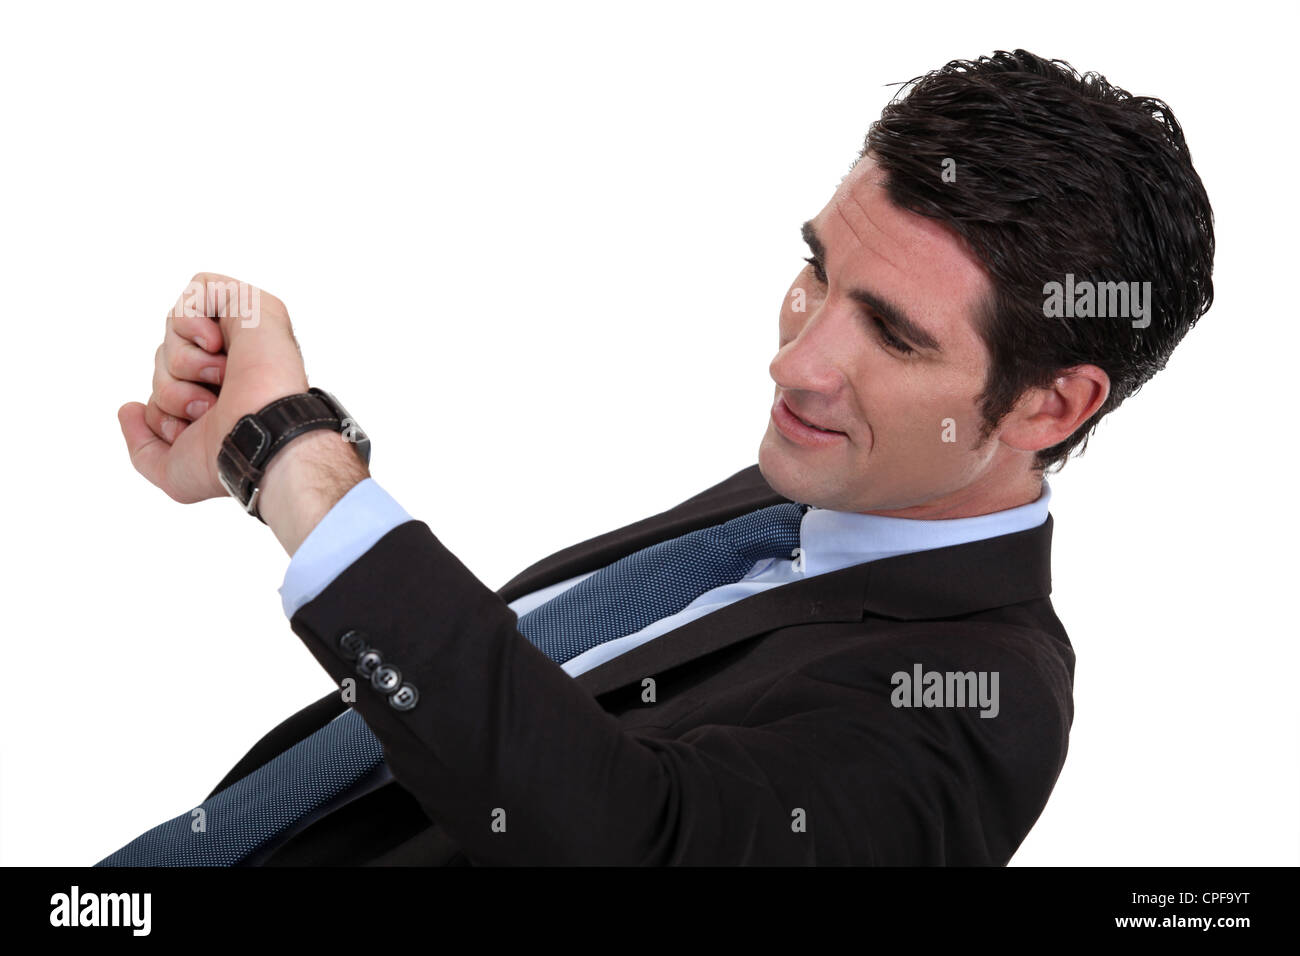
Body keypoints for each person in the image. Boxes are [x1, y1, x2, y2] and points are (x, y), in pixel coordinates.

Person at [100, 49, 1214, 866]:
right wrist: (260, 450)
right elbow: (515, 709)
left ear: (1048, 405)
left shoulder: (981, 712)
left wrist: (296, 461)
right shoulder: (823, 492)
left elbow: (635, 840)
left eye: (892, 331)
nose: (797, 360)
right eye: (816, 270)